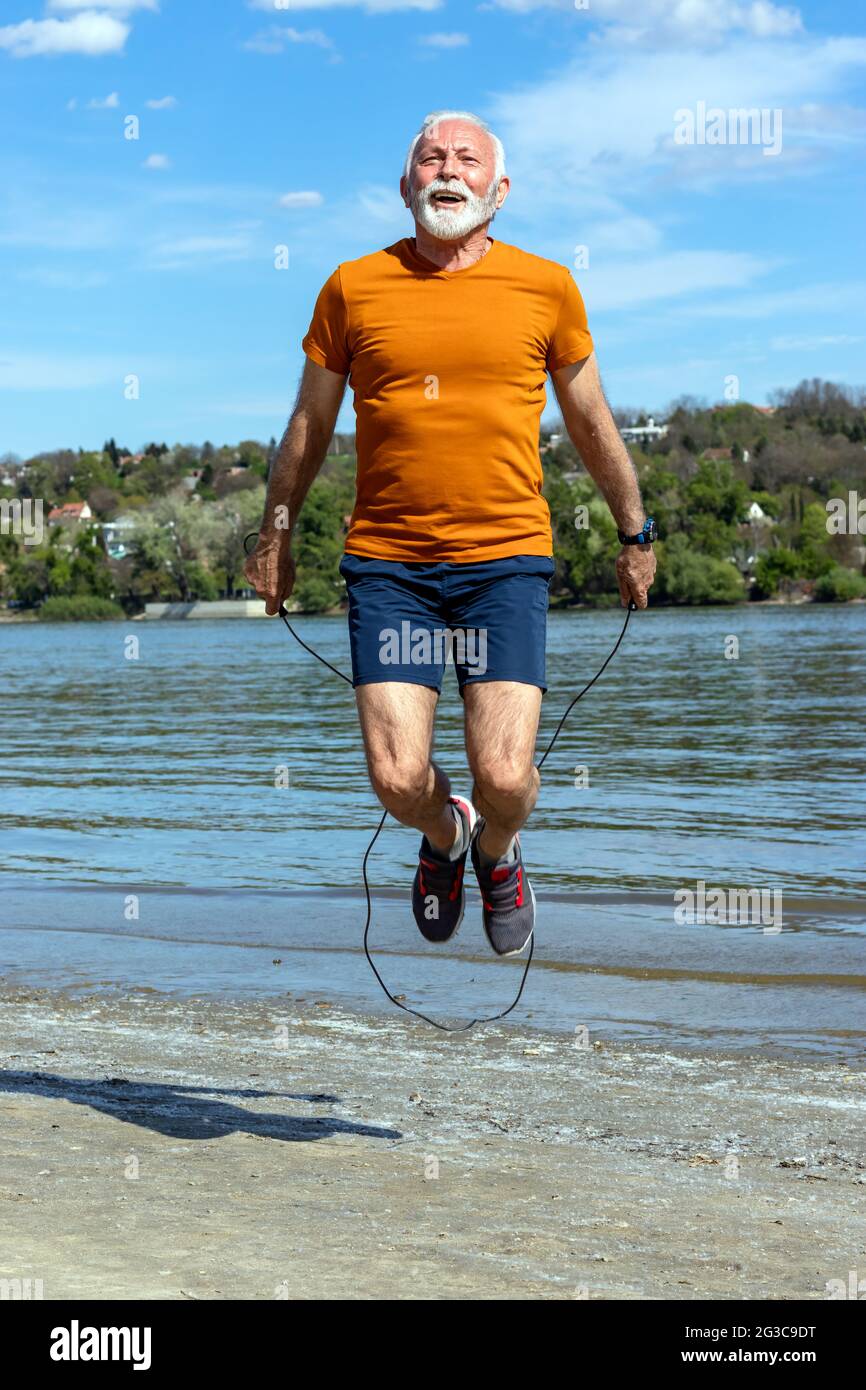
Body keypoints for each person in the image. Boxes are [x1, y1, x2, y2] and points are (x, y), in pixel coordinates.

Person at [244, 109, 656, 959]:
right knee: (398, 780)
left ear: (498, 192)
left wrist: (635, 529)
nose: (447, 169)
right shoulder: (352, 288)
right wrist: (275, 533)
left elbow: (590, 419)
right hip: (389, 567)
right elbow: (308, 426)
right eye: (430, 157)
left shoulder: (547, 288)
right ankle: (445, 836)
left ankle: (498, 852)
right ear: (405, 187)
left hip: (505, 563)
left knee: (506, 775)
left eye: (468, 159)